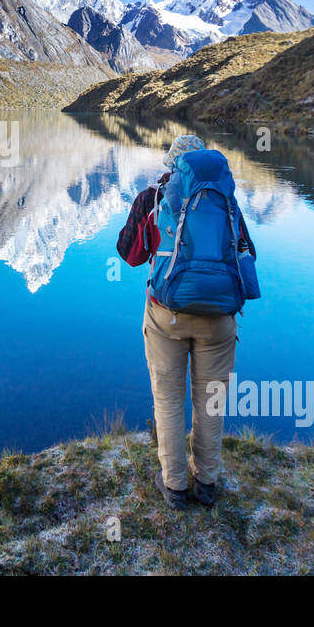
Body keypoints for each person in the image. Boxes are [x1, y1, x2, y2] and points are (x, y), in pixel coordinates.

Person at [117, 134, 258, 509]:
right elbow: (247, 255)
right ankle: (207, 483)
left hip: (167, 316)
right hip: (219, 320)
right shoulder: (226, 201)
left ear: (173, 165)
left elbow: (129, 254)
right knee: (211, 401)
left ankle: (175, 486)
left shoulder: (154, 197)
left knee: (168, 398)